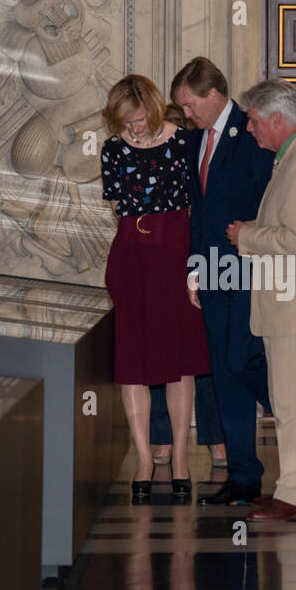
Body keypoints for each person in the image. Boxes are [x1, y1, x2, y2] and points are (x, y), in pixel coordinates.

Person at [224, 79, 296, 521]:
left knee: (292, 404)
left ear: (276, 119)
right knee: (290, 402)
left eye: (254, 120)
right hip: (289, 301)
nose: (250, 129)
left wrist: (245, 235)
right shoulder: (292, 159)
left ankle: (295, 495)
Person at [171, 57, 277, 506]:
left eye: (190, 104)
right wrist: (194, 269)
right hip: (212, 269)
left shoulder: (251, 132)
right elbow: (198, 210)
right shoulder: (195, 139)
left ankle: (291, 411)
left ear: (213, 95)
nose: (186, 114)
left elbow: (269, 201)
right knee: (222, 369)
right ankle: (243, 473)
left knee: (240, 358)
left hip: (250, 264)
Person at [100, 74, 210, 501]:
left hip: (177, 255)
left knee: (179, 359)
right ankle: (145, 458)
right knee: (134, 363)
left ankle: (180, 457)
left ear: (153, 107)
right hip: (132, 256)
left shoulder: (183, 142)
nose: (134, 127)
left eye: (140, 118)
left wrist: (196, 267)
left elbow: (198, 204)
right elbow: (117, 206)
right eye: (126, 121)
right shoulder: (112, 149)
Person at [148, 101, 228, 469]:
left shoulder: (201, 158)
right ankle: (161, 438)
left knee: (205, 356)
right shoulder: (150, 163)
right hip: (162, 262)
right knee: (160, 353)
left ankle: (216, 437)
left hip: (199, 260)